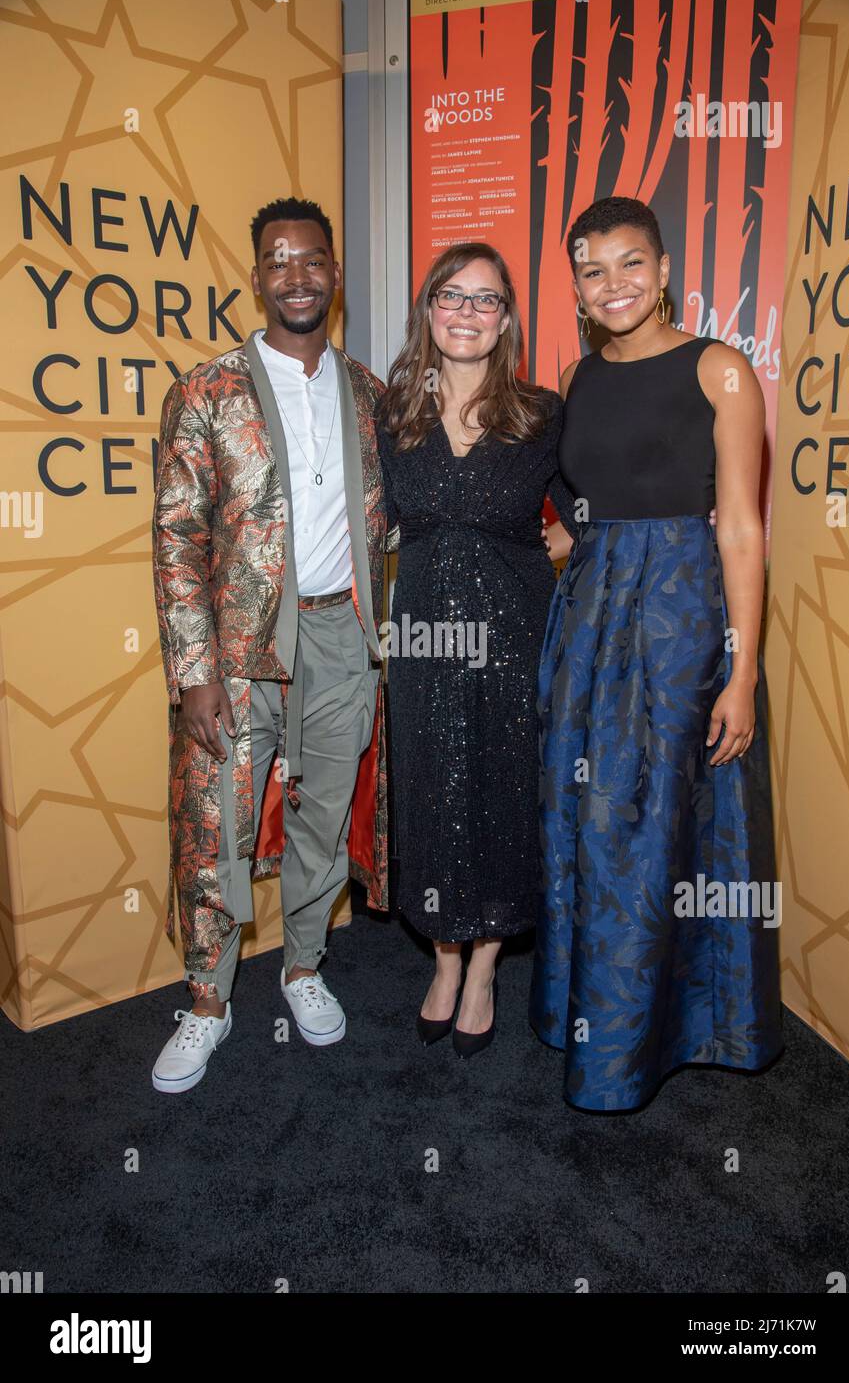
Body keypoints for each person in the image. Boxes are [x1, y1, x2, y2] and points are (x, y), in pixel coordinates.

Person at [531, 196, 783, 1111]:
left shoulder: (720, 370)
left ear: (666, 268)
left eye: (630, 264)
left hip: (680, 626)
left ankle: (658, 1039)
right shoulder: (580, 378)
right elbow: (580, 518)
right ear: (577, 288)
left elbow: (745, 531)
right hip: (593, 619)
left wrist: (742, 668)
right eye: (593, 271)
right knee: (588, 819)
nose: (614, 285)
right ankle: (588, 1018)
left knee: (656, 828)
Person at [151, 197, 388, 1092]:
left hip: (342, 635)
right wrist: (195, 671)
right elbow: (178, 537)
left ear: (334, 274)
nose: (298, 275)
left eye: (313, 259)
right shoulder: (206, 391)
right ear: (257, 278)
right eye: (279, 261)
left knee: (324, 811)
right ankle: (208, 1002)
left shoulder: (369, 393)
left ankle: (301, 967)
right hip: (237, 645)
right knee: (217, 823)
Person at [376, 243, 579, 1058]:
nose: (466, 313)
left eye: (485, 300)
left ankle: (487, 965)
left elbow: (581, 515)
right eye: (451, 297)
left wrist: (528, 565)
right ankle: (444, 960)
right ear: (428, 310)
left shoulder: (541, 412)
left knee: (499, 791)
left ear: (506, 320)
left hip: (512, 633)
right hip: (422, 635)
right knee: (432, 790)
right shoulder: (393, 413)